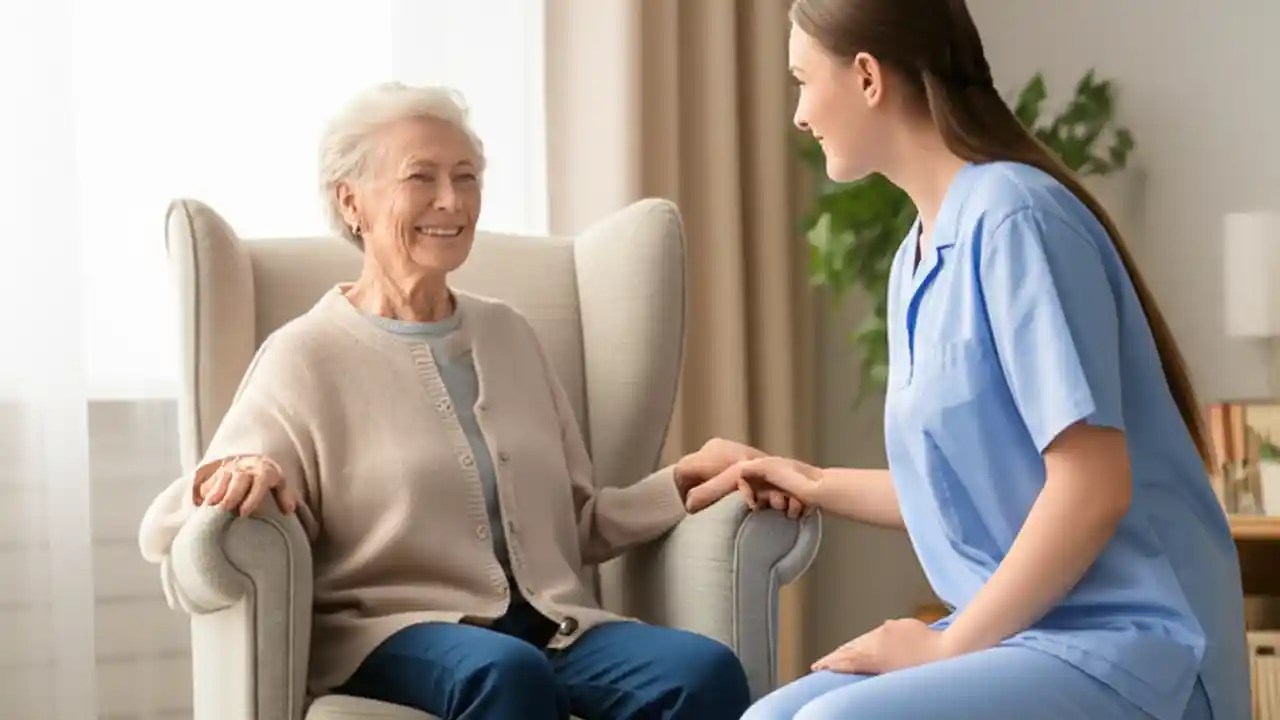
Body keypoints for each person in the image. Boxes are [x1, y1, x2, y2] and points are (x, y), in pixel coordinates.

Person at [693, 1, 1250, 718]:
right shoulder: (917, 256)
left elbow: (1092, 488)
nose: (799, 114)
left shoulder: (1017, 217)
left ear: (867, 77)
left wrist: (945, 650)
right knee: (768, 717)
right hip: (1027, 634)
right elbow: (970, 489)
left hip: (1134, 646)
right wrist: (811, 479)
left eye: (803, 80)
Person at [137, 82, 756, 720]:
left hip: (549, 627)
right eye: (421, 177)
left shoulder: (510, 335)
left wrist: (679, 484)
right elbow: (169, 523)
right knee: (506, 674)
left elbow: (576, 525)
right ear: (352, 202)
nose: (451, 201)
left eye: (466, 177)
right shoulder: (306, 355)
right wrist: (237, 475)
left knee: (700, 672)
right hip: (390, 632)